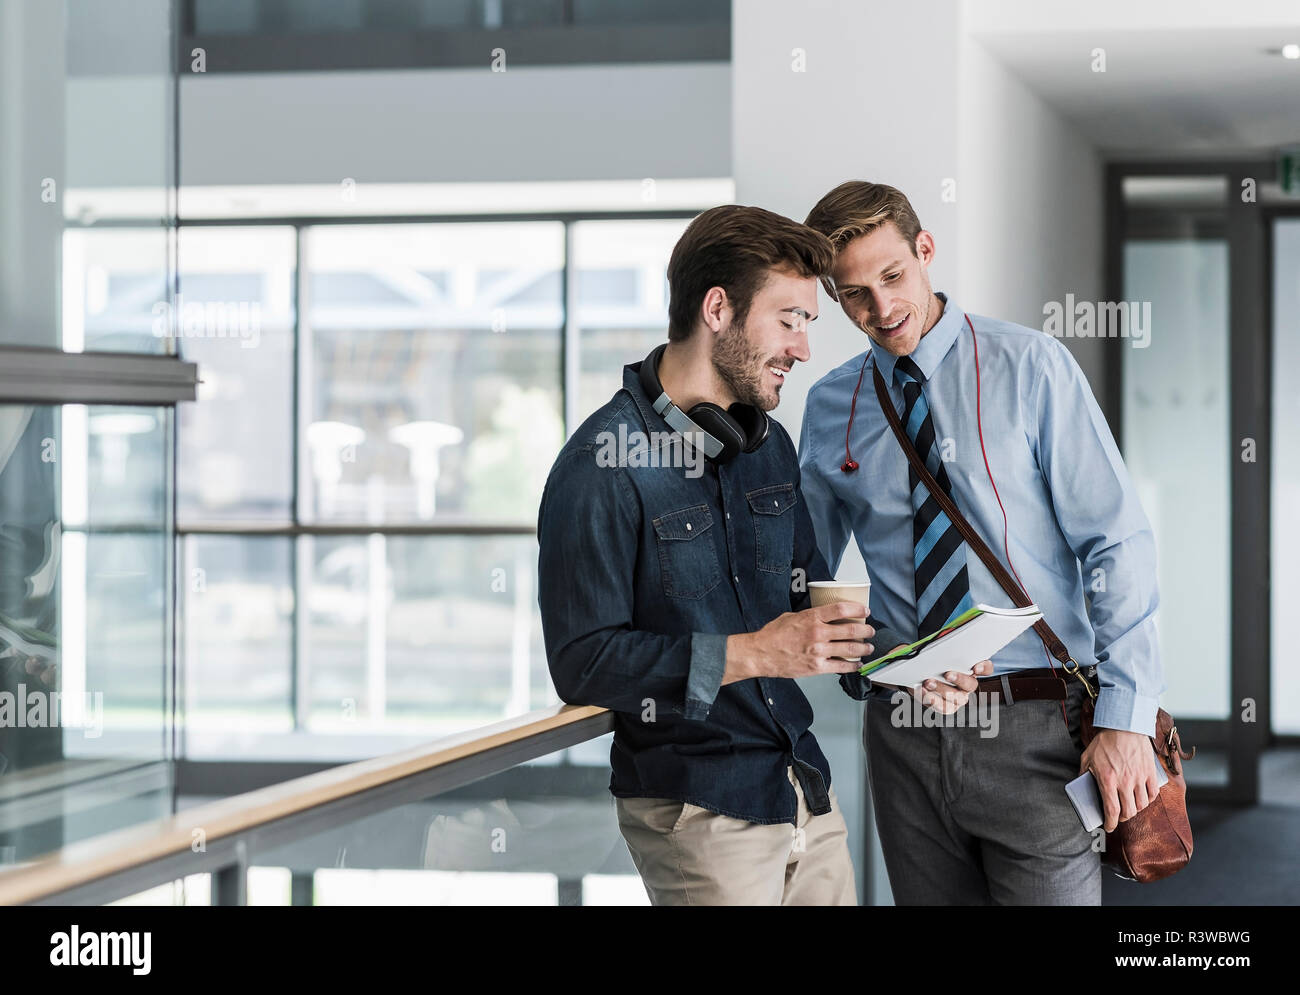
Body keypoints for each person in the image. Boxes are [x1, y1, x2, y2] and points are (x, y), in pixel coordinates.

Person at [536, 204, 985, 906]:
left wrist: (912, 663)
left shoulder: (767, 446)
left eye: (807, 323)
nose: (804, 349)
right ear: (717, 308)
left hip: (804, 787)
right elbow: (583, 662)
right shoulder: (601, 464)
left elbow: (809, 606)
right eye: (789, 320)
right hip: (702, 814)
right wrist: (757, 654)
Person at [798, 181, 1166, 906]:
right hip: (904, 733)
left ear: (926, 250)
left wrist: (1128, 715)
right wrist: (876, 664)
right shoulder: (831, 404)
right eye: (853, 294)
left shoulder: (1032, 367)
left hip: (1040, 727)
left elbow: (1117, 543)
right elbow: (803, 579)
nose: (881, 308)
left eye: (893, 276)